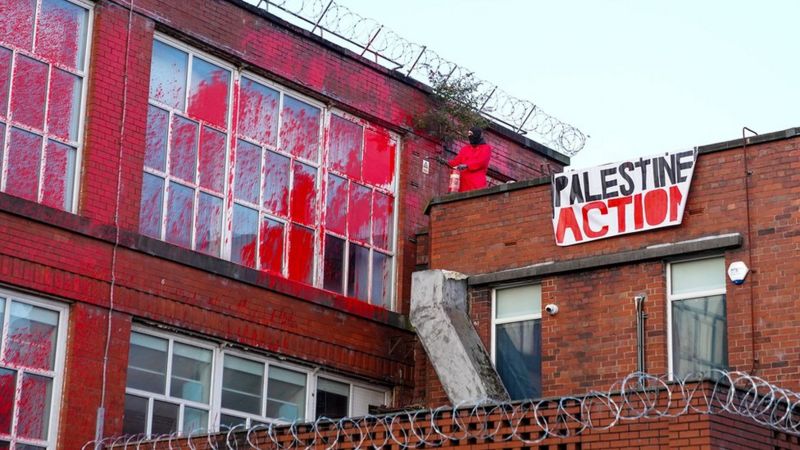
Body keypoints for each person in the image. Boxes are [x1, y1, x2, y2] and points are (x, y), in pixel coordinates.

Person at [449, 126, 492, 192]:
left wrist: (467, 165)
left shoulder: (486, 148)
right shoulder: (465, 149)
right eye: (469, 135)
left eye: (471, 135)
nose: (470, 137)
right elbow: (456, 162)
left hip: (476, 184)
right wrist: (446, 162)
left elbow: (481, 162)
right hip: (462, 185)